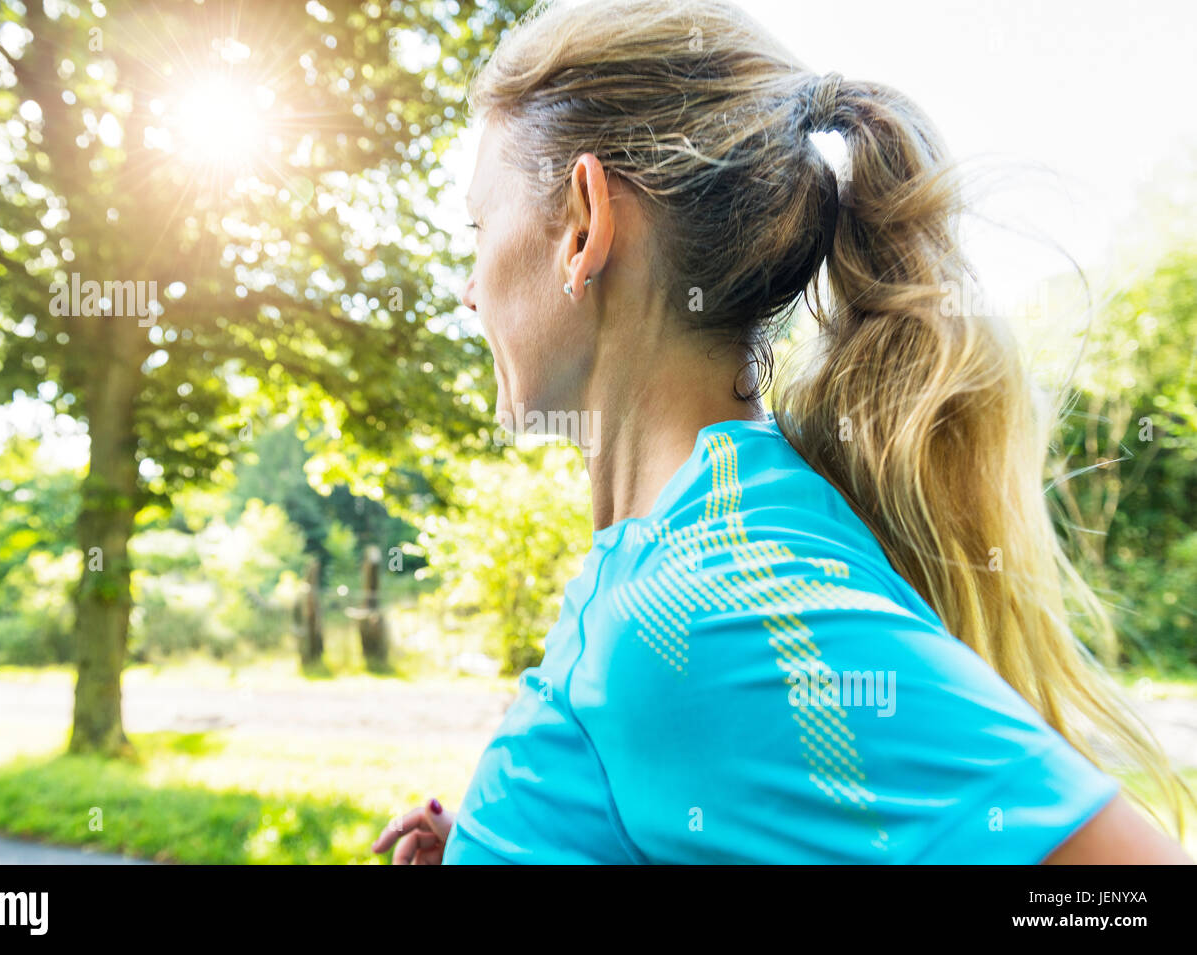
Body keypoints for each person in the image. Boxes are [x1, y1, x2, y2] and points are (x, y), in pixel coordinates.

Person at [373, 0, 1194, 864]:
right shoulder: (697, 545)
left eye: (478, 227)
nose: (469, 290)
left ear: (583, 223)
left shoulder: (708, 597)